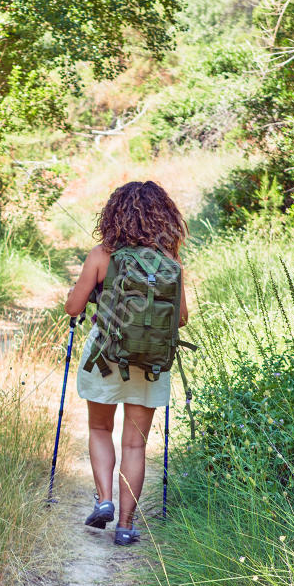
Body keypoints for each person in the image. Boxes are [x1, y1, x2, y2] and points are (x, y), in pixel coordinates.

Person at [63, 180, 189, 545]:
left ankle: (104, 500)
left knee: (100, 429)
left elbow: (73, 308)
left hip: (105, 357)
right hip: (150, 363)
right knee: (135, 445)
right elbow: (181, 318)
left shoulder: (101, 255)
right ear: (164, 217)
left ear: (114, 214)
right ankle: (126, 525)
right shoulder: (170, 262)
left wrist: (88, 297)